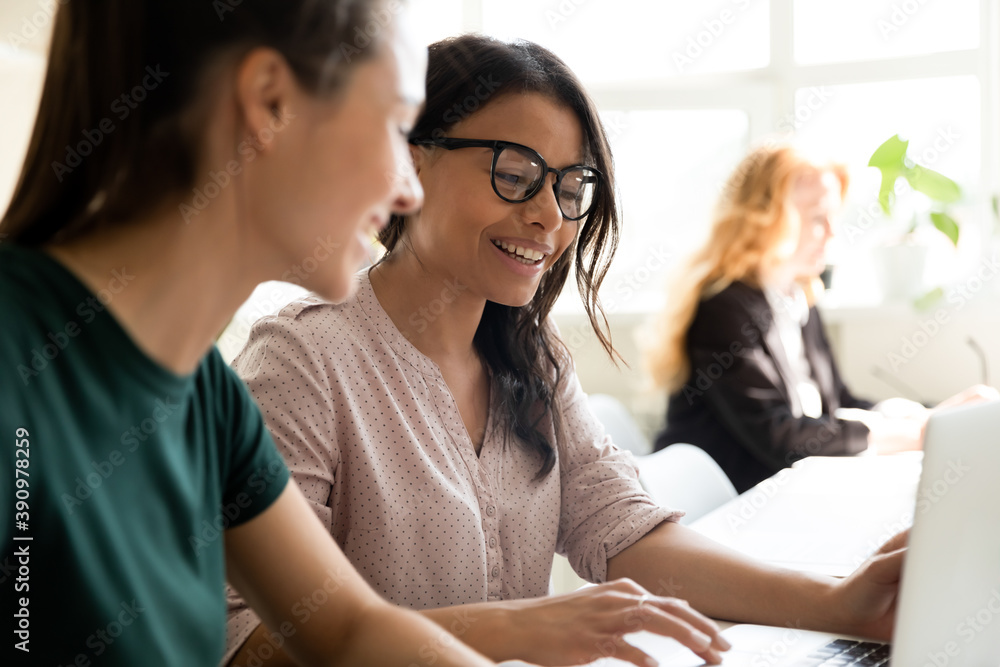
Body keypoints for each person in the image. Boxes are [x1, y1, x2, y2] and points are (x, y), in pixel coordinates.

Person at [225, 36, 908, 667]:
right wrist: (516, 627)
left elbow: (626, 534)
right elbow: (243, 643)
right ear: (412, 160)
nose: (550, 215)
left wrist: (837, 599)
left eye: (570, 185)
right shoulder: (301, 360)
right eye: (515, 171)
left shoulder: (533, 355)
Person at [0, 2, 493, 666]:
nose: (409, 190)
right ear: (269, 101)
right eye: (398, 125)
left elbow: (350, 627)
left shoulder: (208, 392)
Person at [644, 144, 996, 492]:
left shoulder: (798, 298)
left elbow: (839, 402)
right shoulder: (722, 309)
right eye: (816, 218)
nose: (831, 232)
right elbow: (783, 439)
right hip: (721, 510)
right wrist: (919, 434)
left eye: (833, 217)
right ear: (763, 219)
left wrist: (924, 416)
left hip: (781, 494)